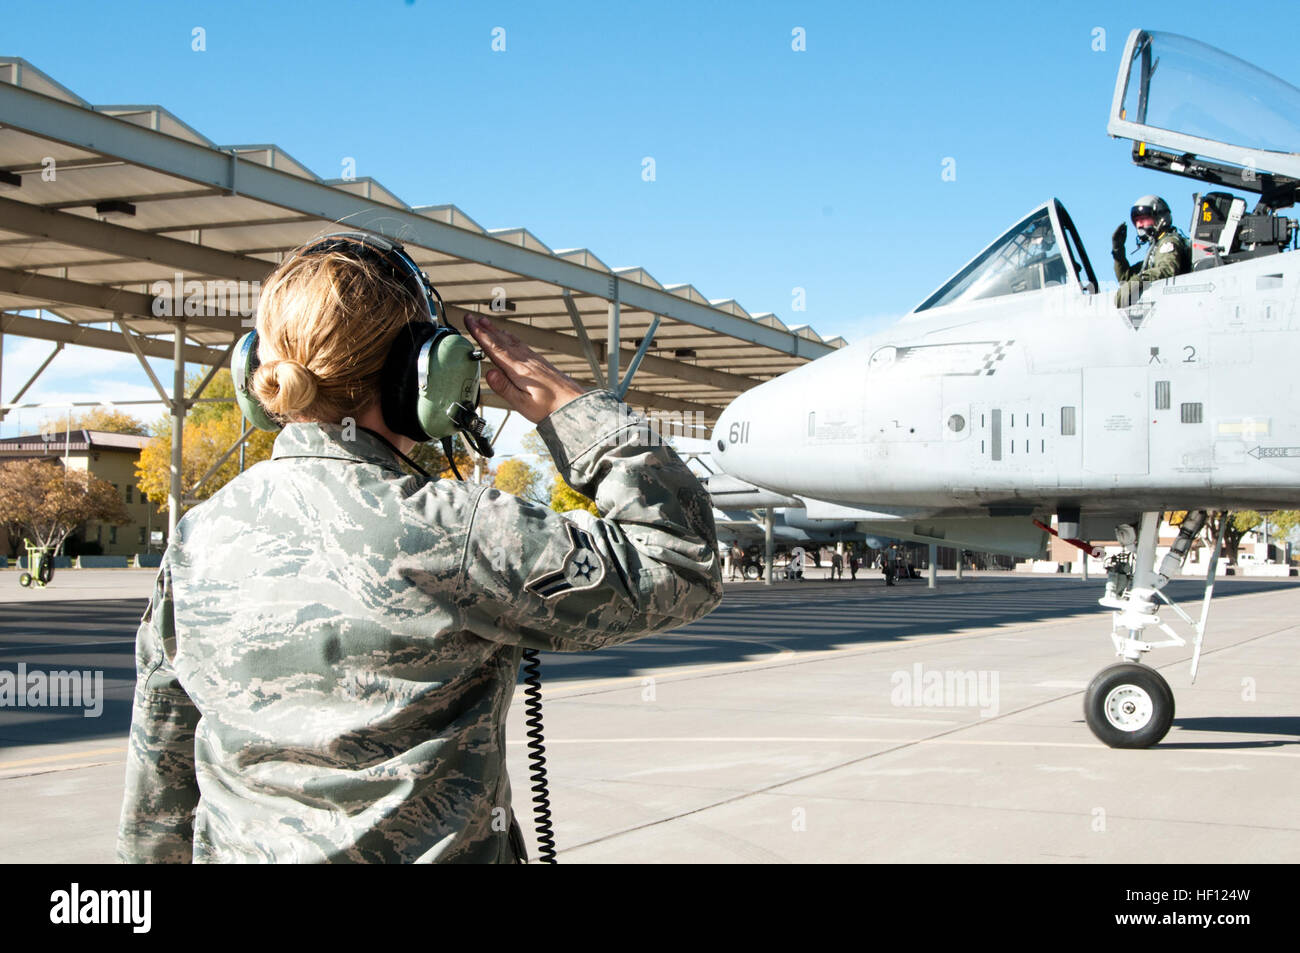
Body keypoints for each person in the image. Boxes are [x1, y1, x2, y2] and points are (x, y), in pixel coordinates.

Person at [116, 233, 724, 864]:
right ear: (427, 373)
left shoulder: (198, 537)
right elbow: (680, 563)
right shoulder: (458, 529)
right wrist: (576, 413)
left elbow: (160, 773)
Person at [1112, 195, 1191, 307]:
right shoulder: (1155, 250)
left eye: (1143, 219)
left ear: (1160, 217)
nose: (1139, 225)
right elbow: (1126, 279)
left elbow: (1167, 270)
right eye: (1136, 221)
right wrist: (1118, 251)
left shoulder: (1168, 242)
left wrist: (1139, 280)